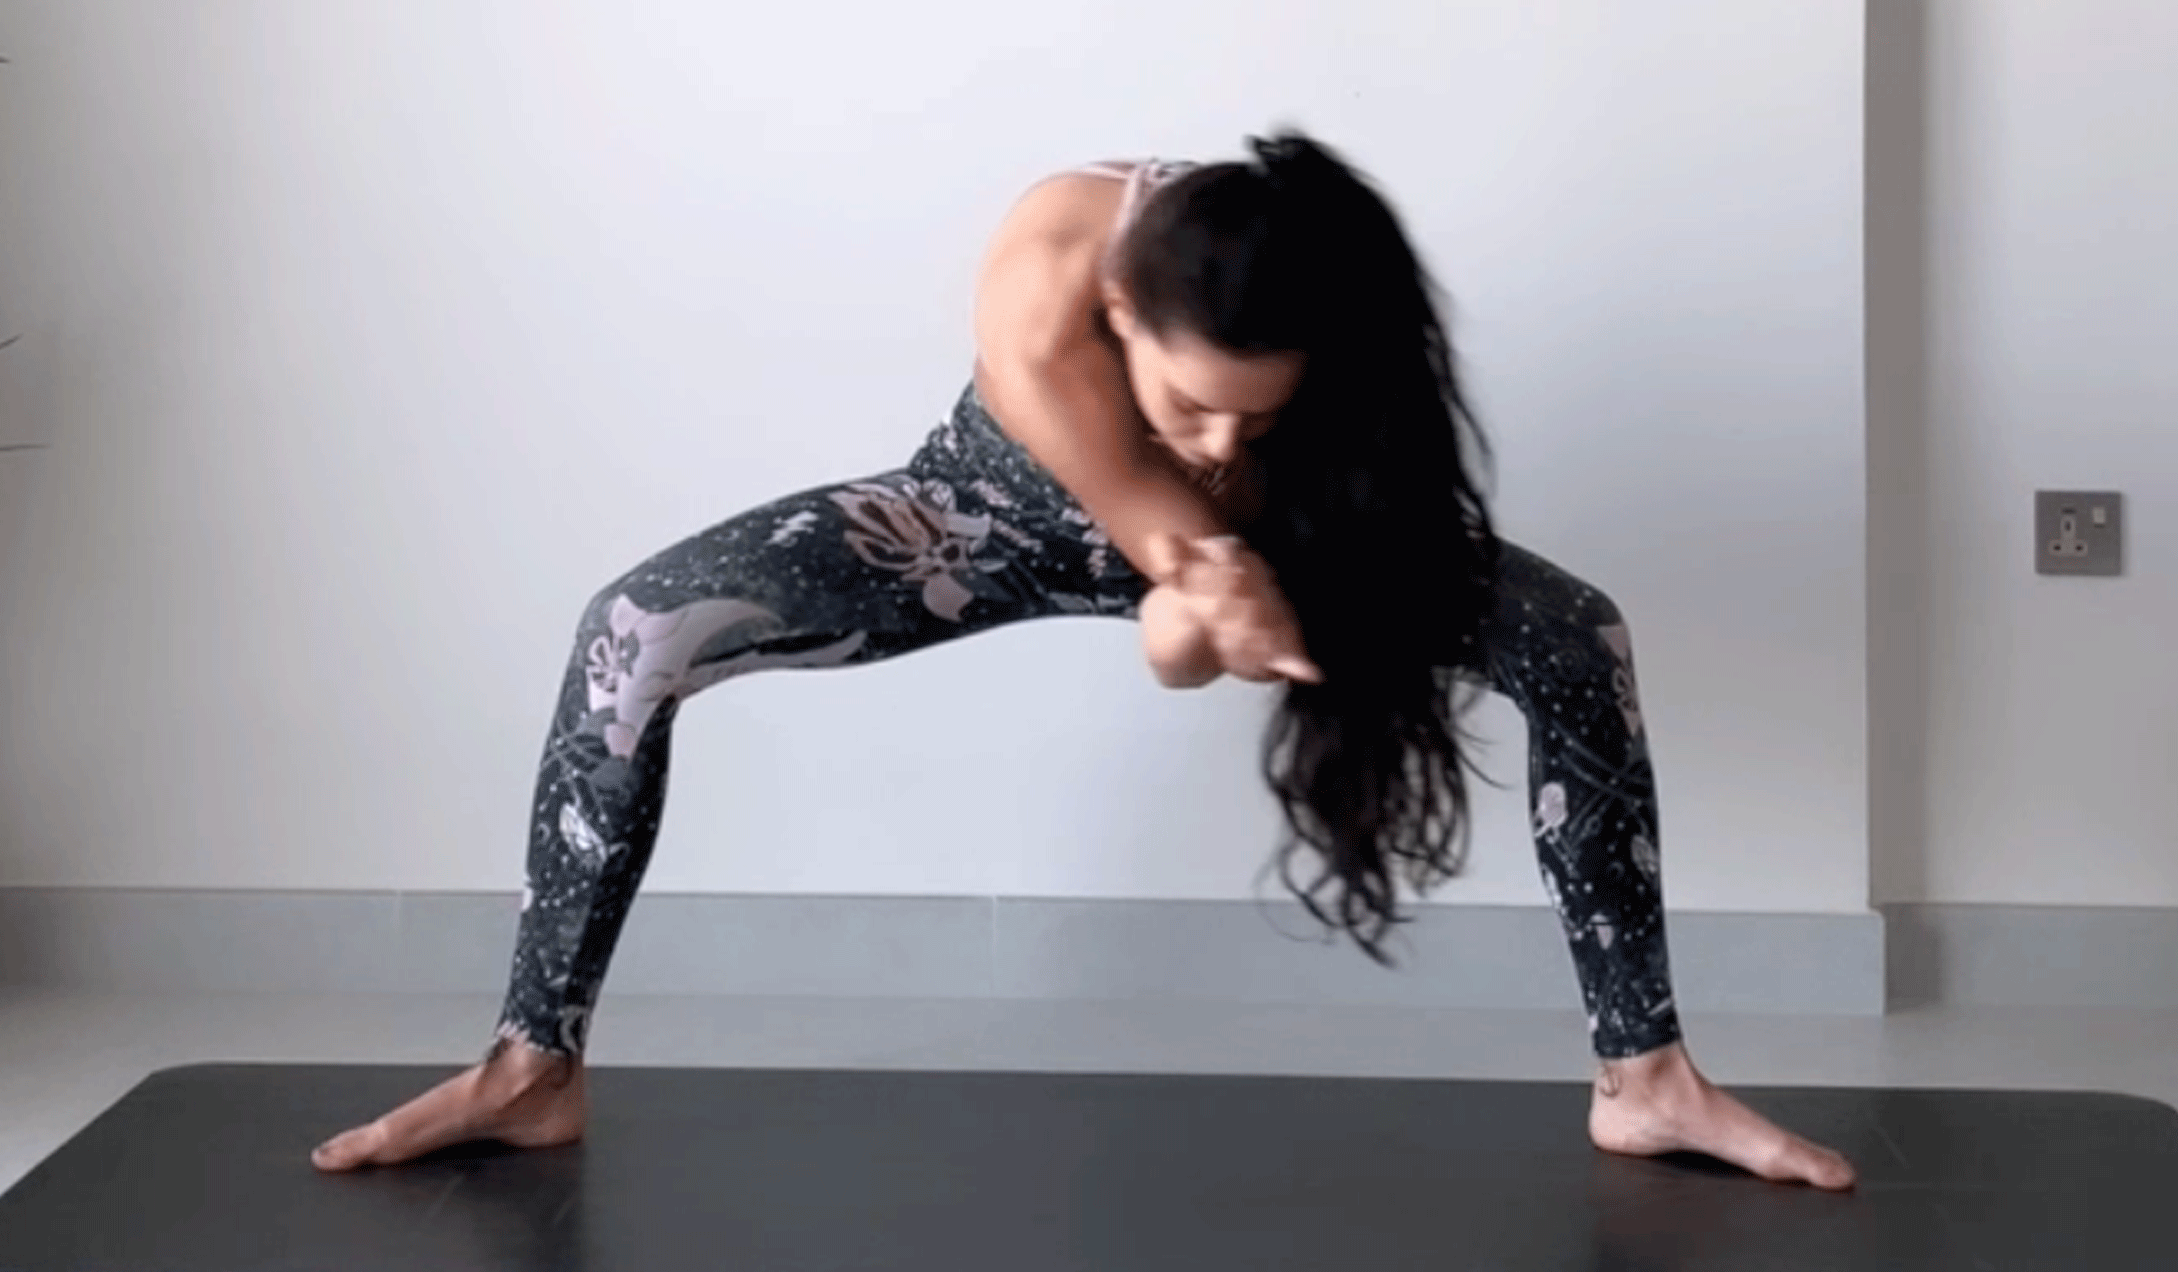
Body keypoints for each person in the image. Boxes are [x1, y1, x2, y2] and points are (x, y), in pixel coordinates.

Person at [310, 130, 1856, 1191]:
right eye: (1190, 404)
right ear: (1120, 313)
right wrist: (1199, 571)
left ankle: (1644, 1077)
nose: (1220, 438)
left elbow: (1182, 647)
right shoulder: (1056, 252)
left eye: (1260, 413)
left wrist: (1235, 583)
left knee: (1578, 636)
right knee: (632, 632)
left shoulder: (1319, 345)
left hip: (1251, 557)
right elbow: (1163, 550)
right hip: (983, 516)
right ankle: (533, 1067)